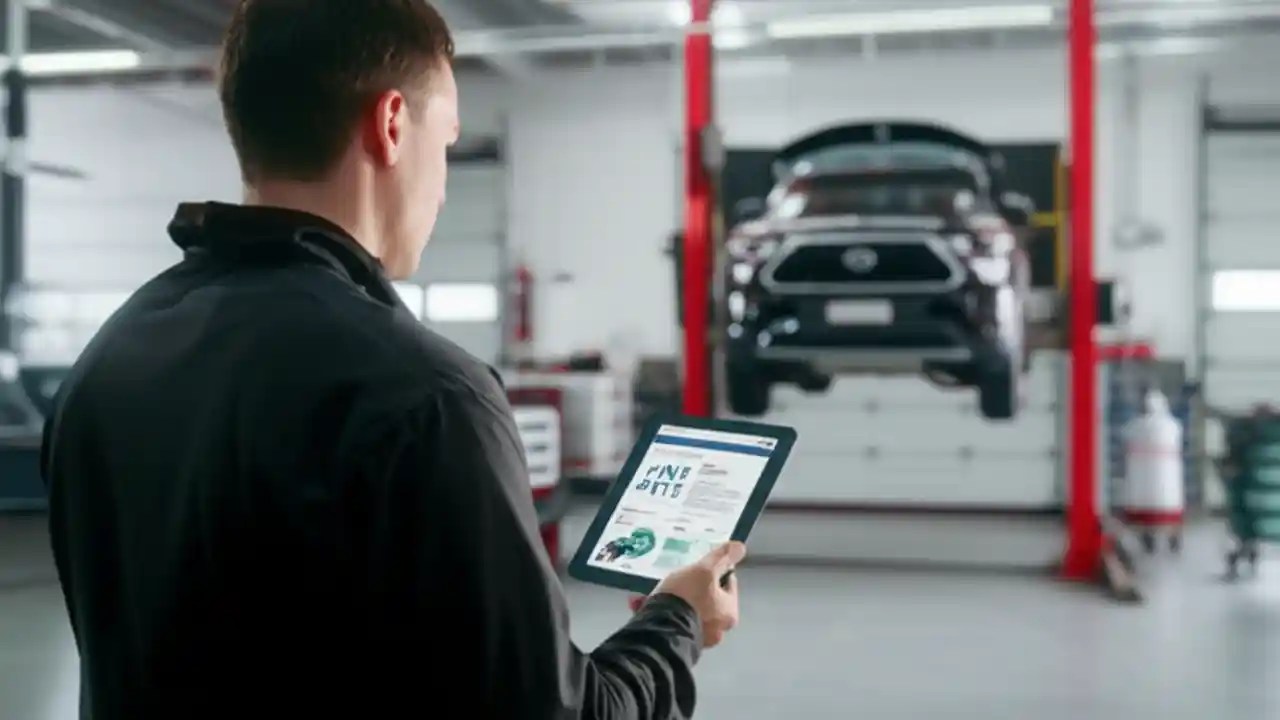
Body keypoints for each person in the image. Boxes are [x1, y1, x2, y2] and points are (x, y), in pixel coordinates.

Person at [39, 2, 745, 718]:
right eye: (445, 144)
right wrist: (677, 618)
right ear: (392, 125)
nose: (440, 187)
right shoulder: (428, 398)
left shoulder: (112, 358)